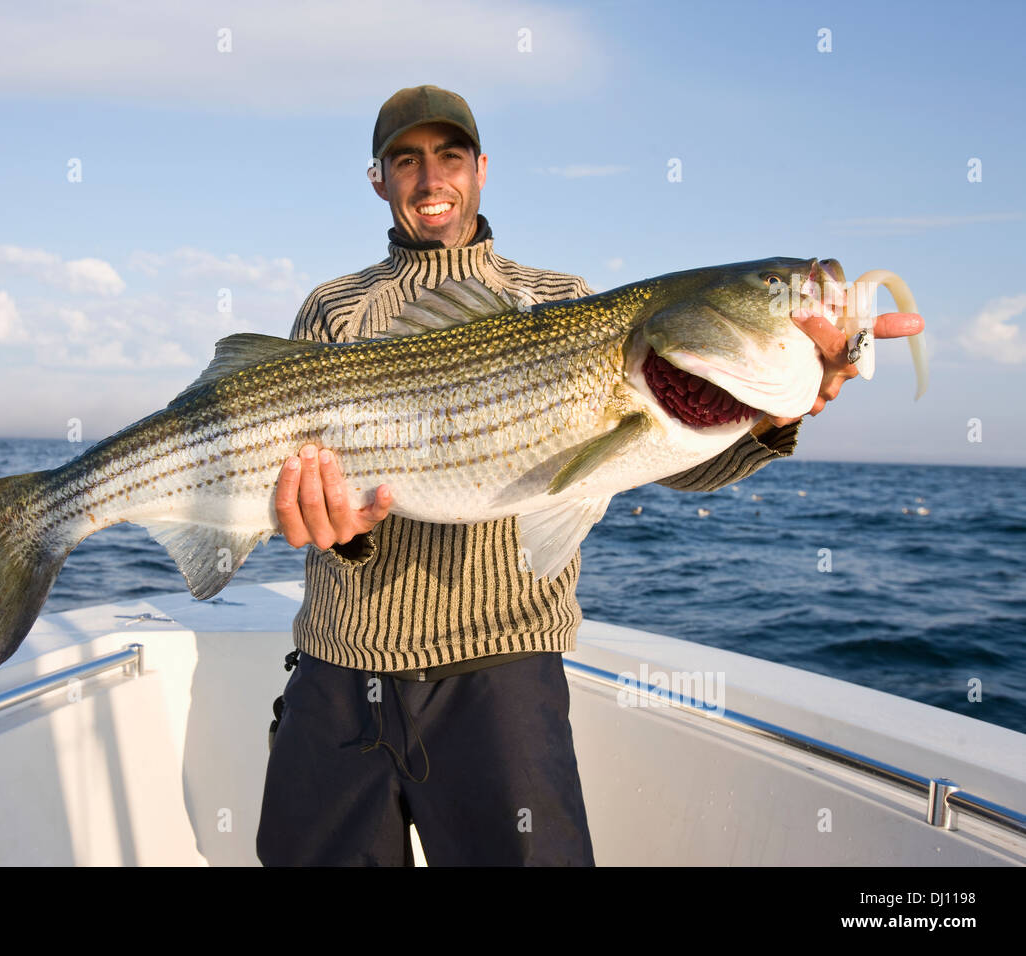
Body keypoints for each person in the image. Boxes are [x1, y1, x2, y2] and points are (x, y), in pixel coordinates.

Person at [255, 85, 923, 866]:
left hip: (502, 672)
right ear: (378, 178)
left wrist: (777, 415)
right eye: (406, 160)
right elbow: (300, 492)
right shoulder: (334, 311)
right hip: (342, 666)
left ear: (481, 169)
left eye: (450, 156)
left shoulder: (563, 300)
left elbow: (667, 458)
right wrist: (335, 532)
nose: (431, 179)